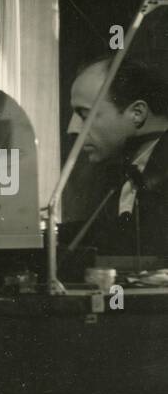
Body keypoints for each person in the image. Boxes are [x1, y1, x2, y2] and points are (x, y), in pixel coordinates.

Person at [65, 56, 168, 258]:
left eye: (84, 115)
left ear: (137, 113)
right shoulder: (121, 170)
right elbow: (108, 235)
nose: (72, 129)